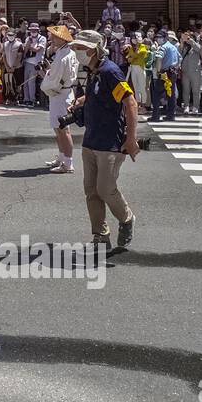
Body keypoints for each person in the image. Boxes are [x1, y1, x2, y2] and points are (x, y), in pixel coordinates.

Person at [66, 30, 139, 250]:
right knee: (91, 191)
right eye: (77, 48)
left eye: (82, 48)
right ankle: (100, 235)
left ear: (94, 50)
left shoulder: (110, 72)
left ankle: (126, 218)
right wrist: (82, 100)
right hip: (90, 140)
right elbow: (101, 94)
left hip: (110, 142)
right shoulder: (93, 71)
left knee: (105, 188)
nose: (78, 52)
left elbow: (130, 103)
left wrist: (131, 138)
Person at [41, 24, 79, 174]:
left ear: (61, 38)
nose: (52, 38)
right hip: (63, 91)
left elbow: (55, 77)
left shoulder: (63, 55)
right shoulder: (65, 53)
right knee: (58, 128)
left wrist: (45, 76)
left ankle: (68, 162)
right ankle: (63, 157)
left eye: (55, 36)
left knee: (63, 129)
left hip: (60, 93)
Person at [150, 30, 181, 122]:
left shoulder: (162, 48)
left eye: (160, 37)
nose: (158, 39)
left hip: (164, 72)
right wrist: (176, 67)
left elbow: (159, 59)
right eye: (157, 37)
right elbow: (180, 58)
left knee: (157, 94)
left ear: (164, 38)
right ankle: (171, 115)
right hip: (173, 72)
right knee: (170, 94)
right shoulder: (173, 47)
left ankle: (155, 116)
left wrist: (159, 71)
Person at [179, 30, 202, 115]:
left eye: (189, 37)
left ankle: (195, 107)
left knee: (196, 90)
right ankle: (186, 106)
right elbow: (179, 55)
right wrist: (182, 43)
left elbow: (201, 50)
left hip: (196, 71)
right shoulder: (184, 47)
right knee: (186, 90)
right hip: (185, 71)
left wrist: (191, 41)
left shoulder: (197, 46)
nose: (187, 39)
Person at [23, 23, 47, 108]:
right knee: (25, 82)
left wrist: (28, 46)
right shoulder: (27, 39)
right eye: (31, 30)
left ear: (38, 30)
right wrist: (28, 45)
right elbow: (25, 51)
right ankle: (26, 99)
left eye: (35, 30)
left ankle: (32, 100)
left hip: (36, 63)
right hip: (27, 62)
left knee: (31, 82)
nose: (33, 32)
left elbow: (38, 49)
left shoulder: (42, 38)